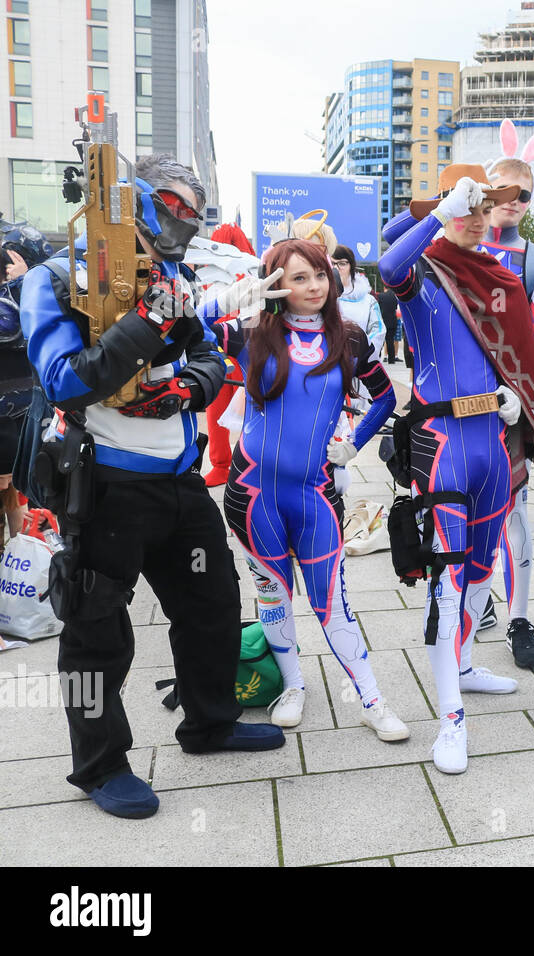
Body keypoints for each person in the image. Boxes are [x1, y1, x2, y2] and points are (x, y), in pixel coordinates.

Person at [21, 153, 284, 820]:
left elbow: (210, 355)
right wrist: (152, 318)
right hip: (105, 487)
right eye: (174, 203)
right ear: (132, 195)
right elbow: (68, 380)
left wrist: (181, 392)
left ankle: (209, 721)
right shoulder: (57, 280)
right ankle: (100, 765)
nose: (185, 219)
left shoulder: (172, 276)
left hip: (178, 479)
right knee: (94, 633)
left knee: (214, 605)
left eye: (195, 210)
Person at [378, 166, 534, 774]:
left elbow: (523, 354)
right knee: (449, 581)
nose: (482, 218)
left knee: (483, 566)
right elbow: (387, 265)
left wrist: (517, 398)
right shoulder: (424, 269)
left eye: (488, 209)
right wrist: (434, 210)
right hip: (442, 441)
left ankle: (461, 666)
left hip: (493, 438)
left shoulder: (499, 274)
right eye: (471, 207)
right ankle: (450, 718)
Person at [200, 238, 408, 739]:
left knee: (332, 601)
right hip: (252, 497)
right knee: (272, 593)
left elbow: (386, 397)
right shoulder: (251, 333)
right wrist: (232, 297)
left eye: (319, 274)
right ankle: (292, 684)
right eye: (298, 278)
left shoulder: (350, 338)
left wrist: (353, 443)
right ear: (277, 285)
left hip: (316, 496)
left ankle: (372, 700)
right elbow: (190, 324)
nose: (314, 286)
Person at [472, 150, 534, 668]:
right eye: (502, 191)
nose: (513, 202)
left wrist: (526, 403)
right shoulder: (452, 247)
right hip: (456, 406)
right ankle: (472, 603)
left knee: (516, 513)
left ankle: (518, 618)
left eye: (523, 194)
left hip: (510, 407)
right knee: (456, 509)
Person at [187, 222, 258, 487]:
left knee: (243, 411)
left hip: (236, 351)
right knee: (227, 412)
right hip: (221, 352)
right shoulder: (205, 278)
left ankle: (234, 464)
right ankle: (225, 464)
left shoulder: (249, 272)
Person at [0, 223, 52, 538]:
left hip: (26, 422)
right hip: (13, 423)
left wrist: (23, 282)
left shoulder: (35, 294)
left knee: (21, 505)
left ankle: (23, 571)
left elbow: (20, 328)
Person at [332, 244, 385, 352]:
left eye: (342, 263)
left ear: (351, 266)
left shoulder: (368, 300)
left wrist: (362, 353)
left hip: (359, 359)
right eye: (332, 263)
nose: (336, 268)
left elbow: (378, 332)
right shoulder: (321, 298)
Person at [376, 280, 401, 364]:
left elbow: (377, 308)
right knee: (390, 341)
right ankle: (391, 359)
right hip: (393, 321)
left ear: (384, 288)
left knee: (380, 341)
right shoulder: (395, 297)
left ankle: (377, 357)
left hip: (382, 321)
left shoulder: (380, 296)